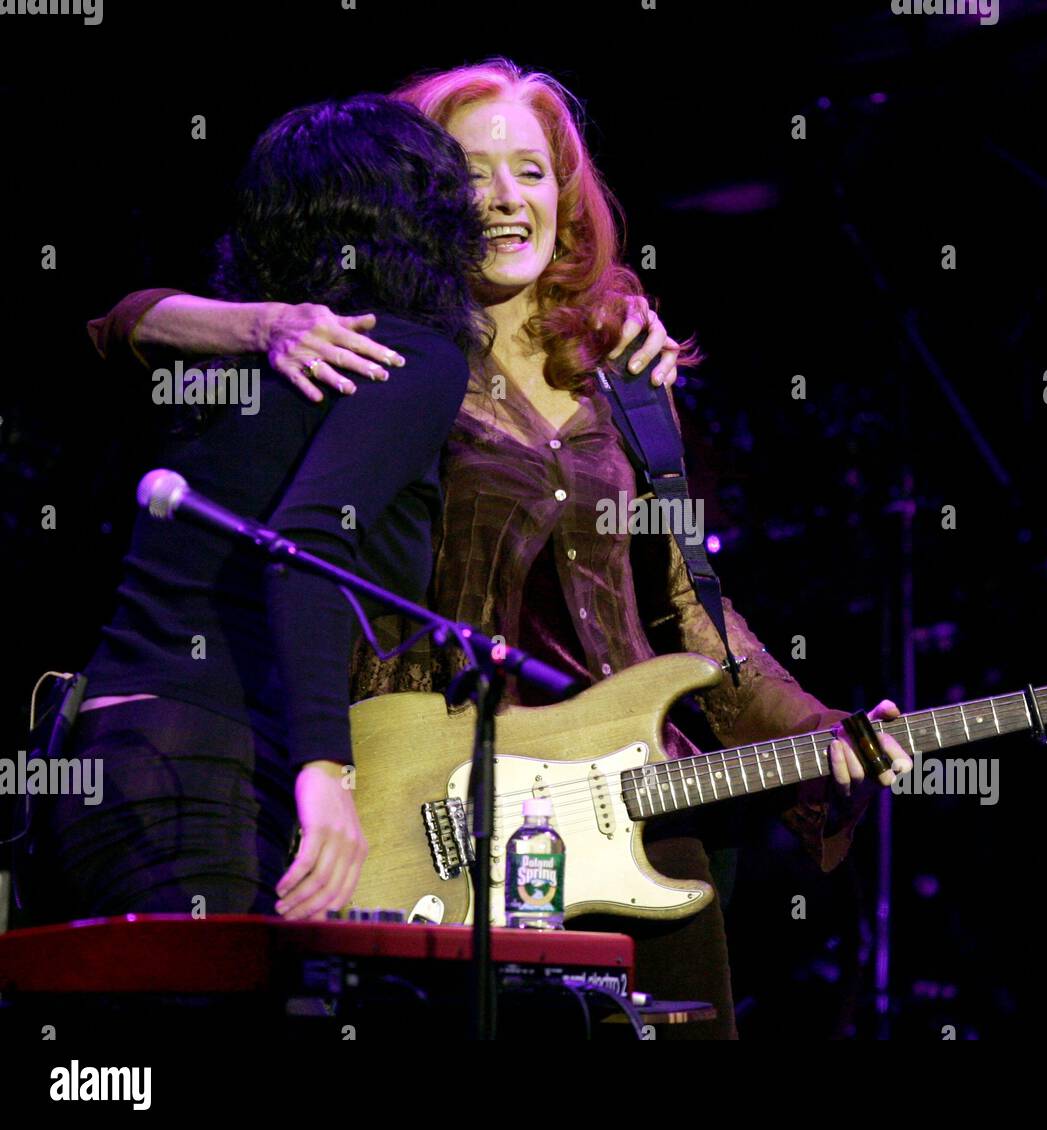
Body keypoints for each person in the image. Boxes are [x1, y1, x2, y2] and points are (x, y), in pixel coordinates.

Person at [86, 59, 905, 1038]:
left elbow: (691, 612)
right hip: (438, 812)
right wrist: (261, 324)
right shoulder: (387, 349)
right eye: (476, 171)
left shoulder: (631, 376)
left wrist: (820, 725)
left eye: (533, 169)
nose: (509, 199)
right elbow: (121, 327)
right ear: (427, 192)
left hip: (637, 810)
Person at [26, 94, 488, 925]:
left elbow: (121, 324)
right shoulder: (409, 355)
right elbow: (308, 542)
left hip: (116, 754)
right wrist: (326, 770)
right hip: (207, 764)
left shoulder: (236, 369)